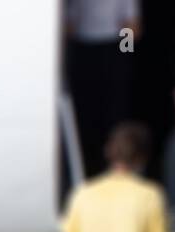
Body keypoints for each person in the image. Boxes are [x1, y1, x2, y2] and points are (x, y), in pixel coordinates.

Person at [64, 0, 141, 177]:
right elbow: (132, 25)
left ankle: (110, 163)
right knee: (91, 113)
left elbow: (131, 25)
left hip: (101, 49)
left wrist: (124, 54)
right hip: (90, 49)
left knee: (108, 113)